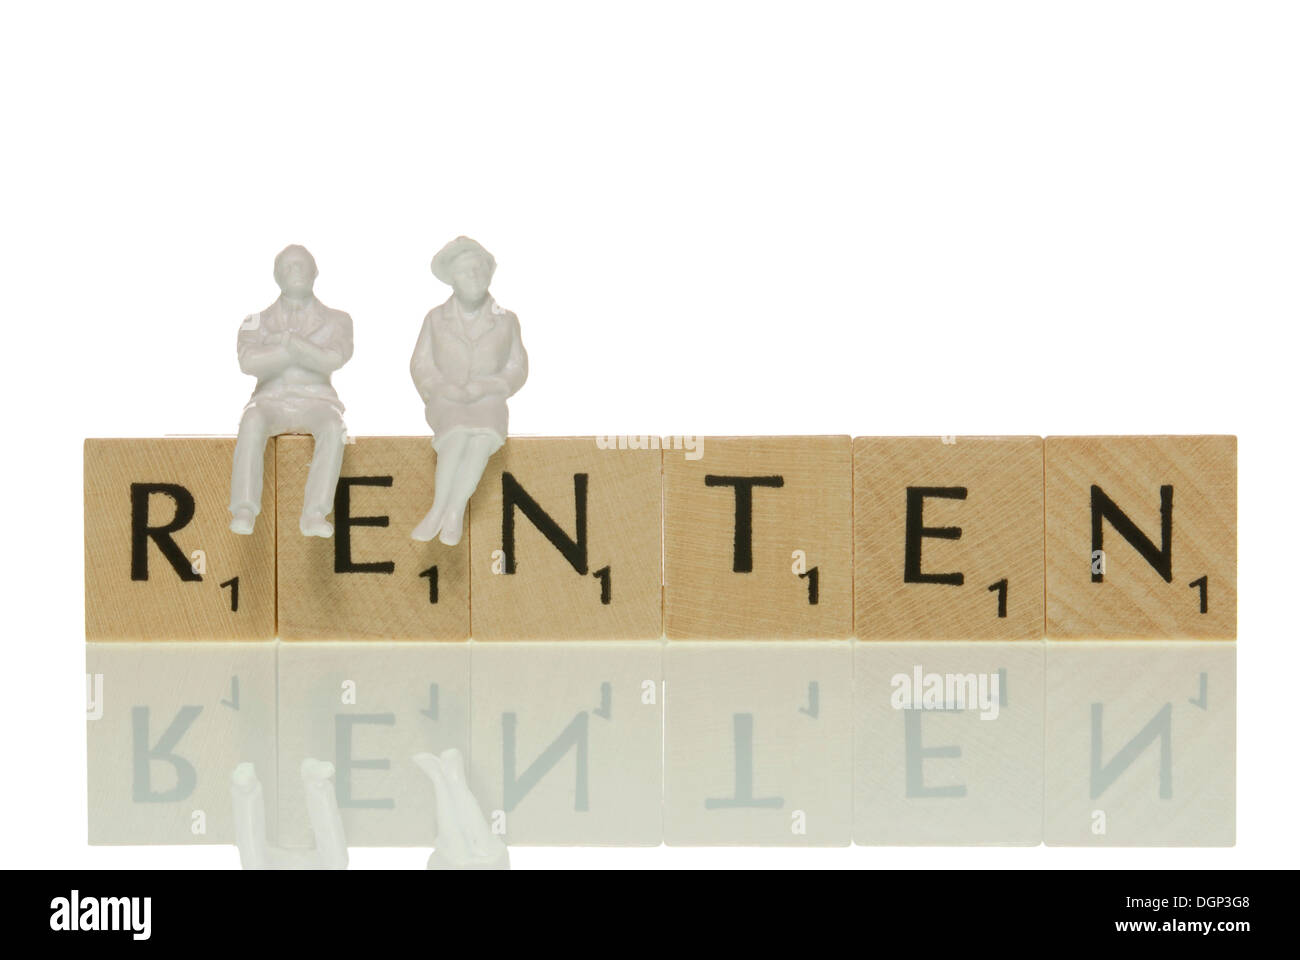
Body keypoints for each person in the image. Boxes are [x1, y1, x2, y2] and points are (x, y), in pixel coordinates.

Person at [410, 237, 528, 545]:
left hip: (488, 399)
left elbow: (517, 367)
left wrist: (492, 385)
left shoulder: (506, 320)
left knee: (482, 439)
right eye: (465, 272)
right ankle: (438, 509)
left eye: (478, 270)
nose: (473, 277)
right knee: (458, 434)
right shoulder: (436, 319)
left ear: (489, 273)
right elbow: (421, 364)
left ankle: (454, 511)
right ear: (452, 280)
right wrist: (440, 387)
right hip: (447, 399)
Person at [229, 245, 353, 537]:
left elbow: (334, 358)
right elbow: (249, 362)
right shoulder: (254, 321)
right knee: (251, 420)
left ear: (315, 272)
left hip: (317, 400)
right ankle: (244, 508)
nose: (294, 271)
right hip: (271, 400)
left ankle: (314, 513)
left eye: (301, 265)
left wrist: (289, 344)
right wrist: (295, 350)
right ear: (276, 276)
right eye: (287, 267)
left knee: (333, 427)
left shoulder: (339, 319)